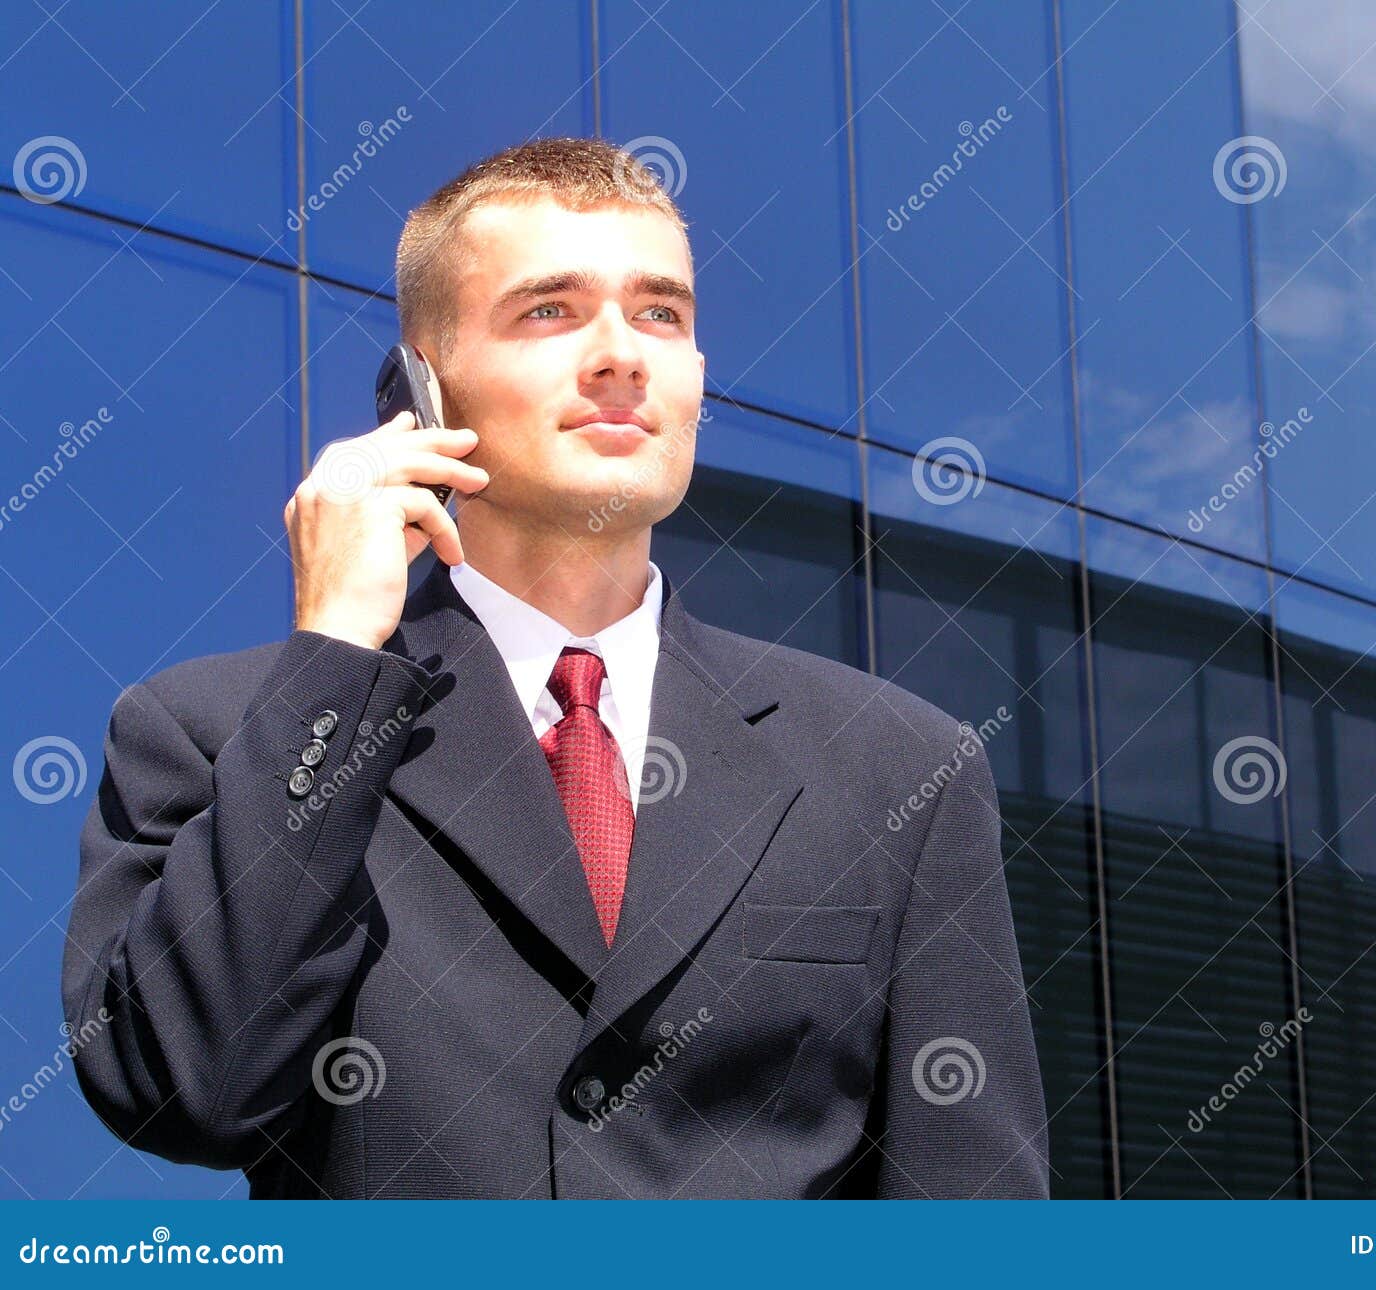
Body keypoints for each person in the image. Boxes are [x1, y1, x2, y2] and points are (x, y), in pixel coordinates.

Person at [61, 137, 1048, 1199]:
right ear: (421, 391)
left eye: (660, 314)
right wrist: (337, 651)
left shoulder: (898, 766)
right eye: (551, 311)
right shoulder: (213, 727)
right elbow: (186, 1091)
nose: (622, 353)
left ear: (698, 379)